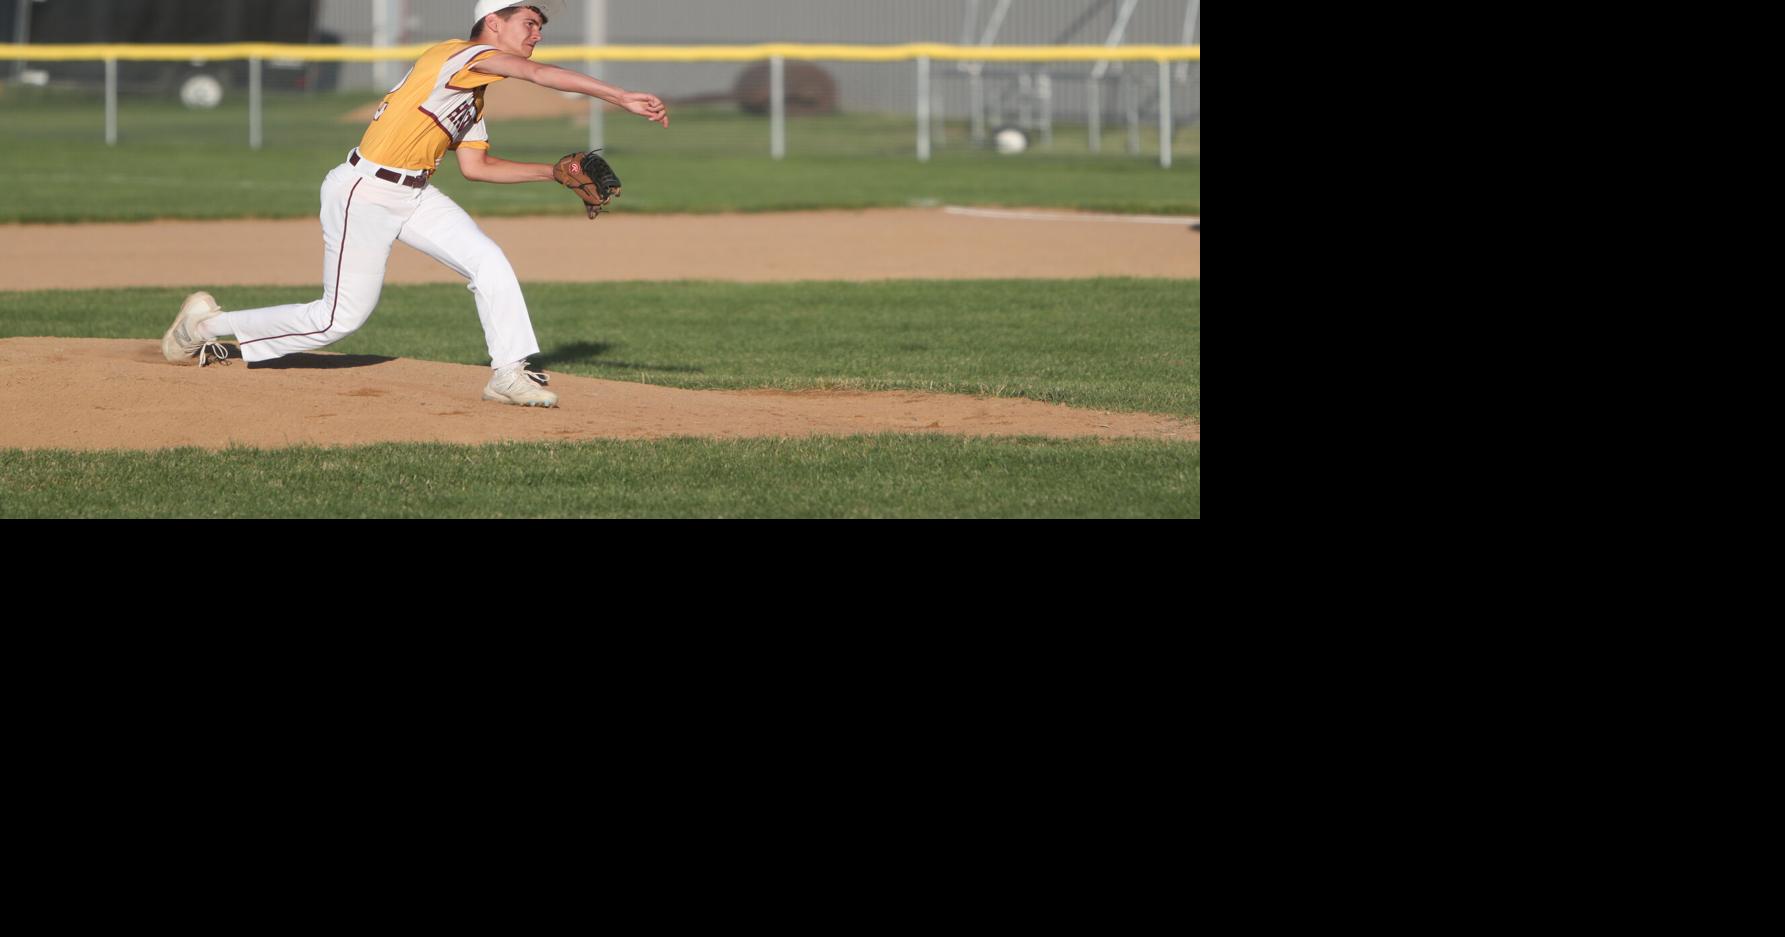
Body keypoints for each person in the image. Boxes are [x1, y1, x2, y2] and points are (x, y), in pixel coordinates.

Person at [161, 0, 669, 408]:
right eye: (529, 22)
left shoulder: (472, 93)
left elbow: (477, 167)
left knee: (488, 261)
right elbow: (534, 75)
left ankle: (509, 374)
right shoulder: (458, 56)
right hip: (364, 190)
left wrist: (554, 172)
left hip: (416, 193)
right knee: (337, 319)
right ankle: (201, 328)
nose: (537, 33)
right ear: (493, 22)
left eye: (539, 27)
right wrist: (620, 96)